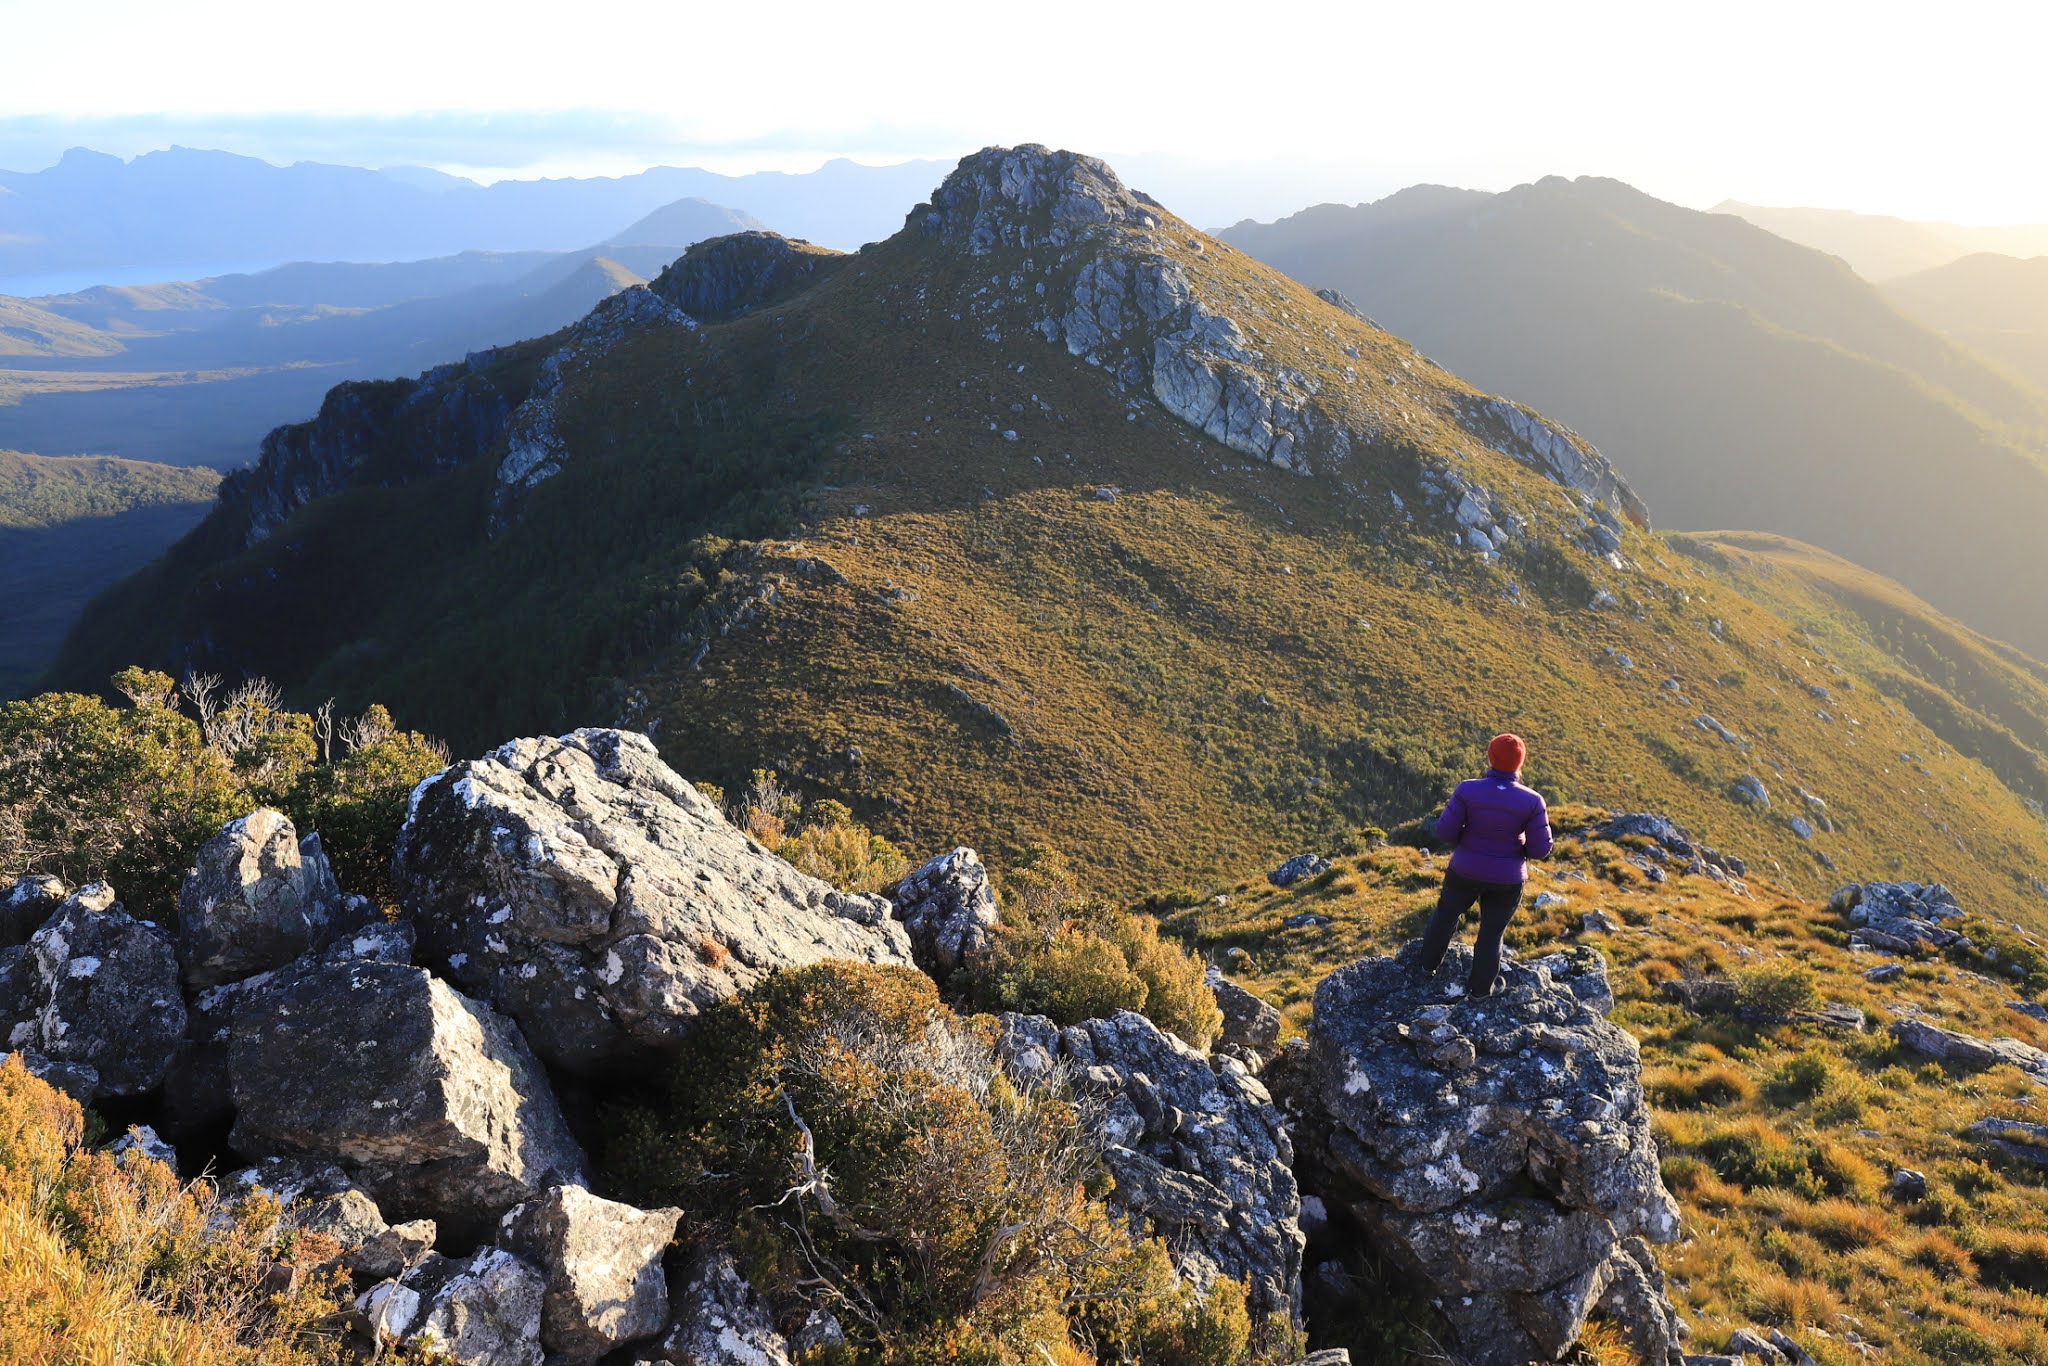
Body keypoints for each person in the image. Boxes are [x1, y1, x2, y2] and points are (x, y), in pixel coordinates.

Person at [1415, 732, 1553, 999]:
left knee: (1445, 916)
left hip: (1465, 869)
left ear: (1490, 758)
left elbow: (1445, 831)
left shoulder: (1467, 789)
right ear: (1520, 763)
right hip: (1508, 879)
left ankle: (1426, 968)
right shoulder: (1533, 801)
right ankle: (1480, 992)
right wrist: (1516, 846)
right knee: (1491, 933)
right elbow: (1540, 849)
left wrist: (1468, 838)